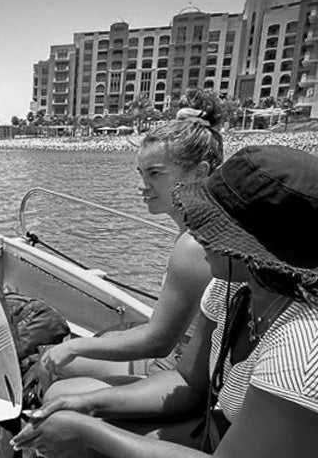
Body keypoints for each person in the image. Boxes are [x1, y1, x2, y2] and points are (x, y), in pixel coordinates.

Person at [12, 145, 318, 458]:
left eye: (210, 223)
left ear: (254, 249)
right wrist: (89, 404)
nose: (193, 231)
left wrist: (88, 433)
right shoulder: (236, 286)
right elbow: (190, 383)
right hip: (220, 430)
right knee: (68, 399)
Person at [40, 88, 223, 383]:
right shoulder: (203, 229)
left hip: (171, 372)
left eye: (155, 174)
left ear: (198, 173)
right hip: (176, 363)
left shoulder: (193, 245)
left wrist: (76, 345)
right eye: (140, 173)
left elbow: (160, 341)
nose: (142, 185)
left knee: (51, 364)